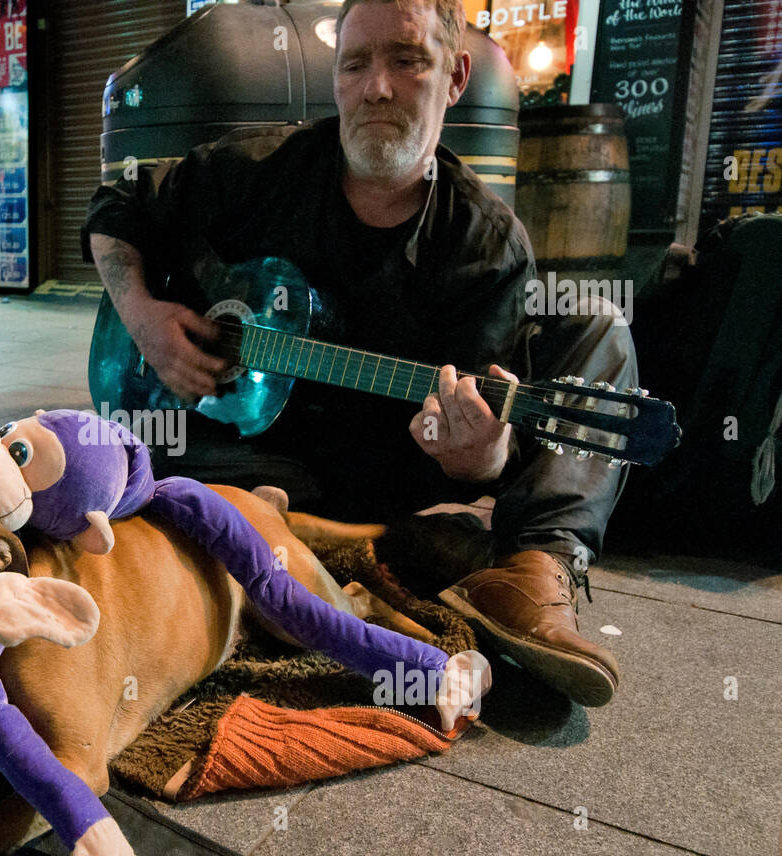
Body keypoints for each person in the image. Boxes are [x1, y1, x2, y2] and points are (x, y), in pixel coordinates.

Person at [82, 0, 637, 708]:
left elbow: (481, 451)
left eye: (407, 61)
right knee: (126, 487)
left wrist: (481, 458)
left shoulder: (486, 245)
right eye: (356, 64)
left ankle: (524, 568)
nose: (377, 87)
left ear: (456, 75)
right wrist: (147, 320)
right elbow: (113, 208)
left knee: (594, 325)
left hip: (377, 476)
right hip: (235, 450)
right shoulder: (257, 170)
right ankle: (359, 561)